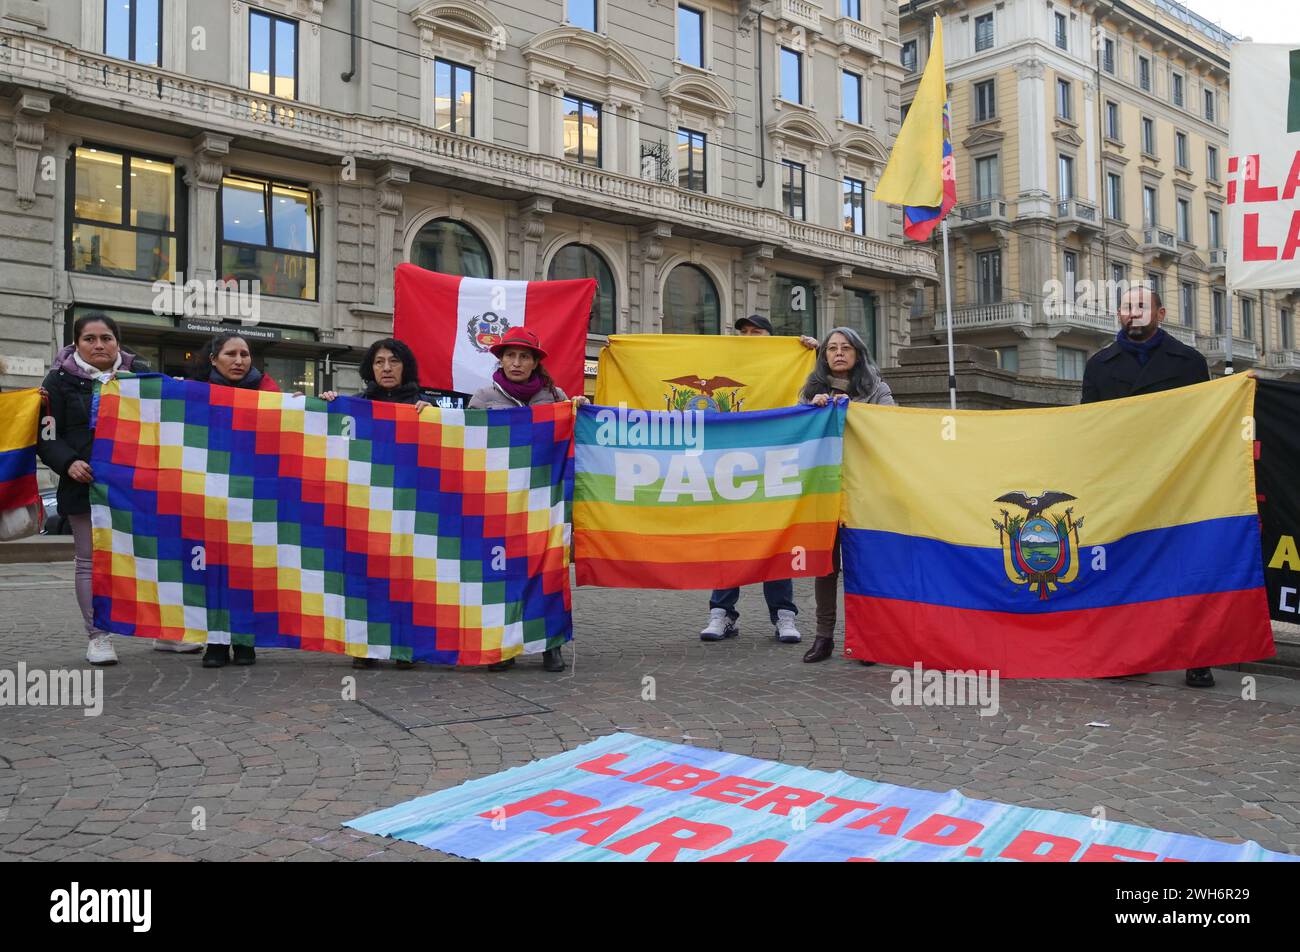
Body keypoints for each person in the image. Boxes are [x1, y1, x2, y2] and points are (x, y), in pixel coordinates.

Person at [37, 313, 196, 664]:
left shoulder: (140, 374)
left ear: (117, 342)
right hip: (84, 487)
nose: (99, 345)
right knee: (89, 563)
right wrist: (68, 463)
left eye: (106, 338)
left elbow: (173, 418)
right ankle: (98, 636)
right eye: (90, 339)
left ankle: (165, 633)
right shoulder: (58, 381)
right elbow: (46, 436)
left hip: (138, 488)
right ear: (76, 343)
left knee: (151, 559)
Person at [1080, 286, 1215, 688]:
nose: (1133, 313)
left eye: (1141, 306)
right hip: (1120, 485)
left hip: (1177, 484)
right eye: (1126, 307)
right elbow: (1088, 427)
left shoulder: (1190, 362)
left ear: (1161, 312)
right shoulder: (1100, 365)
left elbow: (1205, 421)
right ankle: (1128, 655)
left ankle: (1196, 655)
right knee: (1125, 568)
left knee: (1185, 569)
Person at [468, 326, 588, 673]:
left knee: (547, 572)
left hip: (544, 500)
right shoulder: (483, 396)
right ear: (501, 359)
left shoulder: (555, 396)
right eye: (510, 355)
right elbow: (466, 441)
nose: (516, 362)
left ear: (536, 362)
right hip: (497, 501)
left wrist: (578, 409)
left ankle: (551, 644)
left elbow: (574, 437)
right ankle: (502, 646)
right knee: (499, 575)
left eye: (524, 356)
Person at [699, 315, 818, 645]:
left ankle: (784, 615)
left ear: (772, 337)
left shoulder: (791, 367)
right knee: (729, 543)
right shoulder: (726, 365)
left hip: (775, 465)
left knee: (776, 542)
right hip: (730, 467)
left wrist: (814, 353)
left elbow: (819, 389)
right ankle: (722, 613)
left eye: (757, 332)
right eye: (744, 332)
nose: (749, 337)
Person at [321, 338, 429, 670]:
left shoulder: (425, 406)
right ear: (370, 368)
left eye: (393, 361)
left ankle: (404, 646)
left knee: (406, 576)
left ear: (405, 366)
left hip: (409, 506)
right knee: (365, 576)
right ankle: (364, 644)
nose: (386, 368)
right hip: (364, 507)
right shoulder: (354, 405)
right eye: (379, 361)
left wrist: (434, 417)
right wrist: (324, 405)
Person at [798, 327, 895, 665]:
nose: (839, 353)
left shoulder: (877, 389)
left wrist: (853, 411)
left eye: (846, 348)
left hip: (864, 490)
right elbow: (795, 432)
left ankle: (867, 639)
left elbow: (892, 427)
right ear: (824, 356)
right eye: (832, 349)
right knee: (825, 566)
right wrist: (814, 411)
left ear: (858, 353)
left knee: (864, 564)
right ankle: (823, 636)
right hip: (824, 490)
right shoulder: (810, 391)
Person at [190, 333, 281, 669]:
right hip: (209, 495)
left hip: (253, 497)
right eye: (231, 354)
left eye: (245, 354)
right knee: (213, 572)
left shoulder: (269, 392)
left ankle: (244, 640)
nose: (239, 360)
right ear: (214, 359)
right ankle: (215, 642)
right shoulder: (194, 393)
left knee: (247, 571)